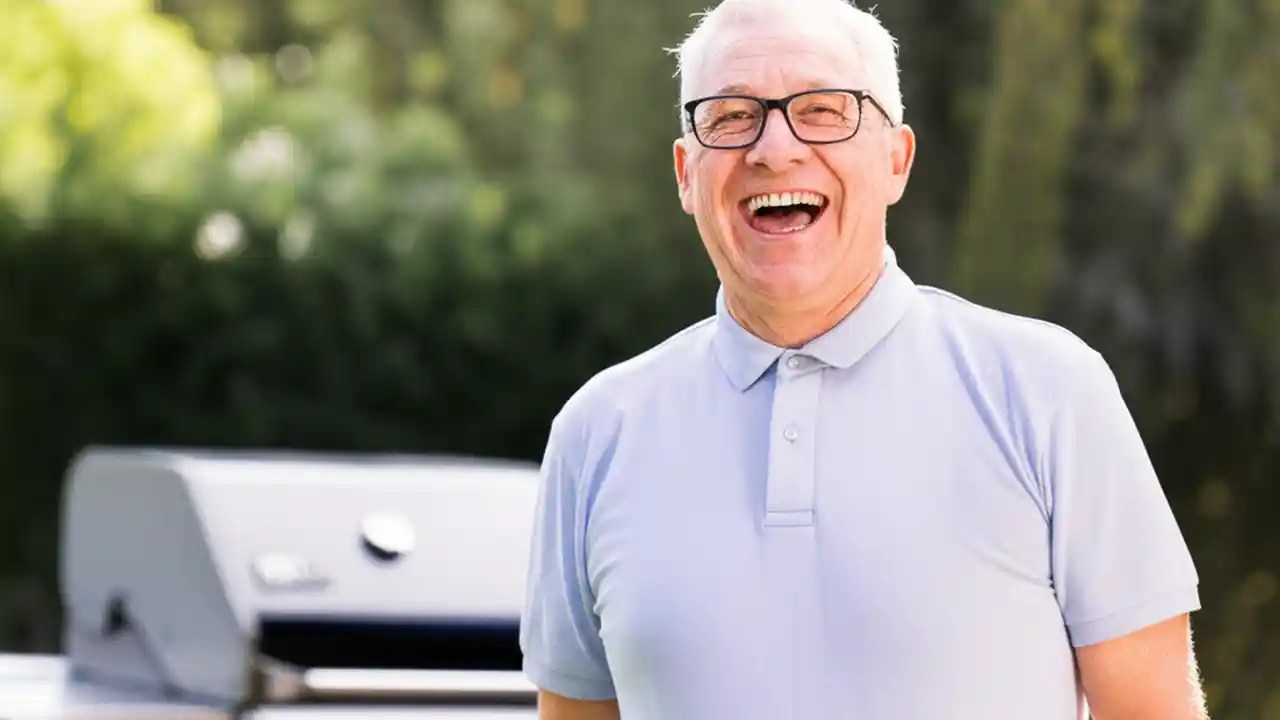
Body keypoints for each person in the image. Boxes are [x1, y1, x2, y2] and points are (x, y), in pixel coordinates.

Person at [518, 0, 1207, 717]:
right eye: (731, 116)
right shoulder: (597, 432)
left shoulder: (1048, 392)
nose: (774, 149)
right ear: (686, 173)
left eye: (822, 111)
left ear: (896, 160)